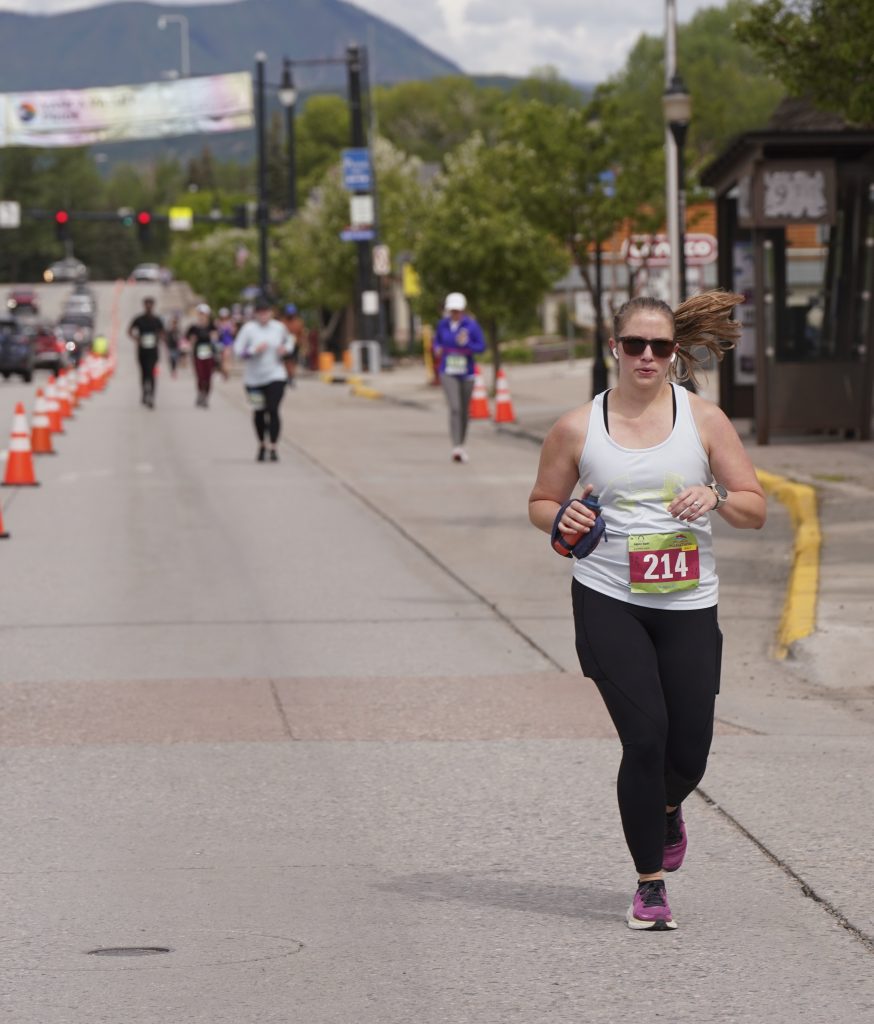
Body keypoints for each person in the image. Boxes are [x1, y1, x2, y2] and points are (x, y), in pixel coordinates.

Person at [528, 291, 767, 932]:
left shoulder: (704, 421)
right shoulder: (578, 427)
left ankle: (665, 809)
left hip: (688, 601)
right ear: (615, 348)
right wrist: (563, 515)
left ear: (673, 353)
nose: (646, 356)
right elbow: (541, 502)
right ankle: (649, 885)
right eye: (634, 344)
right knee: (645, 737)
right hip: (608, 598)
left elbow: (755, 506)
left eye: (659, 347)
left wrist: (714, 495)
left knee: (688, 753)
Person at [232, 296, 294, 461]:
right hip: (253, 379)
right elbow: (238, 351)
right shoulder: (248, 329)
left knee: (273, 410)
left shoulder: (279, 328)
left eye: (266, 312)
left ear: (271, 313)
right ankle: (262, 444)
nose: (263, 315)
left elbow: (290, 342)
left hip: (275, 375)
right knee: (259, 412)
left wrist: (285, 349)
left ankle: (274, 446)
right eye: (260, 312)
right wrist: (253, 350)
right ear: (255, 314)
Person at [432, 292, 486, 462]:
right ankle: (455, 446)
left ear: (462, 310)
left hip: (467, 373)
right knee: (455, 408)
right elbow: (437, 341)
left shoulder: (471, 326)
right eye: (452, 310)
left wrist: (467, 344)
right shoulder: (443, 325)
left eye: (457, 310)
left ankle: (461, 444)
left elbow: (481, 347)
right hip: (448, 371)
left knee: (464, 410)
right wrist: (437, 348)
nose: (454, 313)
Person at [128, 296, 164, 407]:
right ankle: (144, 392)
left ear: (153, 306)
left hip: (153, 351)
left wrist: (158, 338)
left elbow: (163, 332)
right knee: (144, 373)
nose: (148, 306)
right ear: (144, 305)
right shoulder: (139, 319)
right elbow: (129, 330)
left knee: (151, 372)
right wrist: (136, 339)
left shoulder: (157, 320)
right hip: (142, 350)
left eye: (150, 304)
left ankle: (152, 395)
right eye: (146, 304)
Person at [186, 304, 220, 408]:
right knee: (200, 376)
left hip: (209, 355)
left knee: (208, 377)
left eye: (204, 314)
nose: (202, 316)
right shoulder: (194, 327)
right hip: (198, 355)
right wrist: (191, 339)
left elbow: (217, 338)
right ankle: (200, 393)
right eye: (200, 314)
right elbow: (187, 337)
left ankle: (206, 396)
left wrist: (214, 336)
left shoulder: (212, 327)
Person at [281, 303, 305, 387]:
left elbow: (301, 334)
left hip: (295, 345)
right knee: (286, 361)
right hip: (284, 345)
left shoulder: (298, 323)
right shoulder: (282, 322)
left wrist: (302, 344)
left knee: (293, 362)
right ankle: (287, 376)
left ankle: (291, 377)